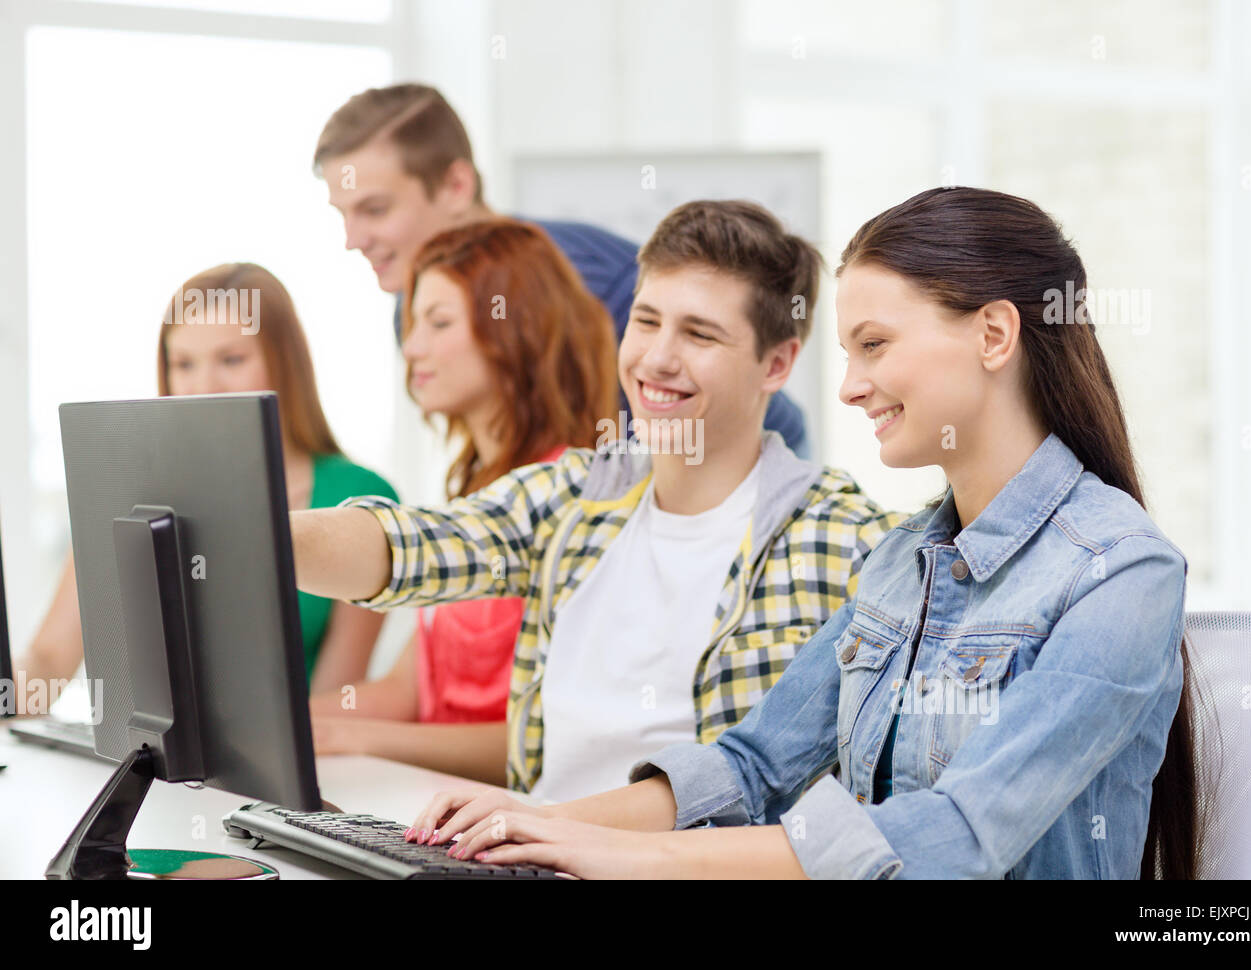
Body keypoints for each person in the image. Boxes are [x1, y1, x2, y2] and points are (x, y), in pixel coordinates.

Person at [400, 187, 1201, 881]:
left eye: (875, 346)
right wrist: (549, 822)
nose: (850, 387)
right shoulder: (904, 561)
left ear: (994, 335)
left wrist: (634, 857)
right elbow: (751, 767)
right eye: (849, 352)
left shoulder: (1122, 573)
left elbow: (957, 833)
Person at [289, 199, 899, 800]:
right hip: (527, 856)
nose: (658, 358)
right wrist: (257, 536)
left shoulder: (842, 540)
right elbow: (413, 546)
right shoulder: (576, 497)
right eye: (647, 321)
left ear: (777, 363)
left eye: (699, 334)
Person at [312, 83, 811, 458]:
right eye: (343, 215)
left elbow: (774, 424)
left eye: (375, 210)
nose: (353, 240)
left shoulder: (593, 281)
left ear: (456, 185)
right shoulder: (408, 310)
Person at [309, 219, 618, 785]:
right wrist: (285, 722)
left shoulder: (578, 503)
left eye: (439, 322)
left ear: (516, 328)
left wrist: (353, 736)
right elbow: (408, 692)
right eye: (413, 323)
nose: (413, 346)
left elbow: (548, 741)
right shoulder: (472, 496)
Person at [18, 263, 398, 700]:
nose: (204, 386)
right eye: (183, 364)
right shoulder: (128, 494)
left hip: (311, 764)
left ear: (285, 363)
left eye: (231, 360)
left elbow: (336, 704)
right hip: (148, 765)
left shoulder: (359, 499)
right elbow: (47, 662)